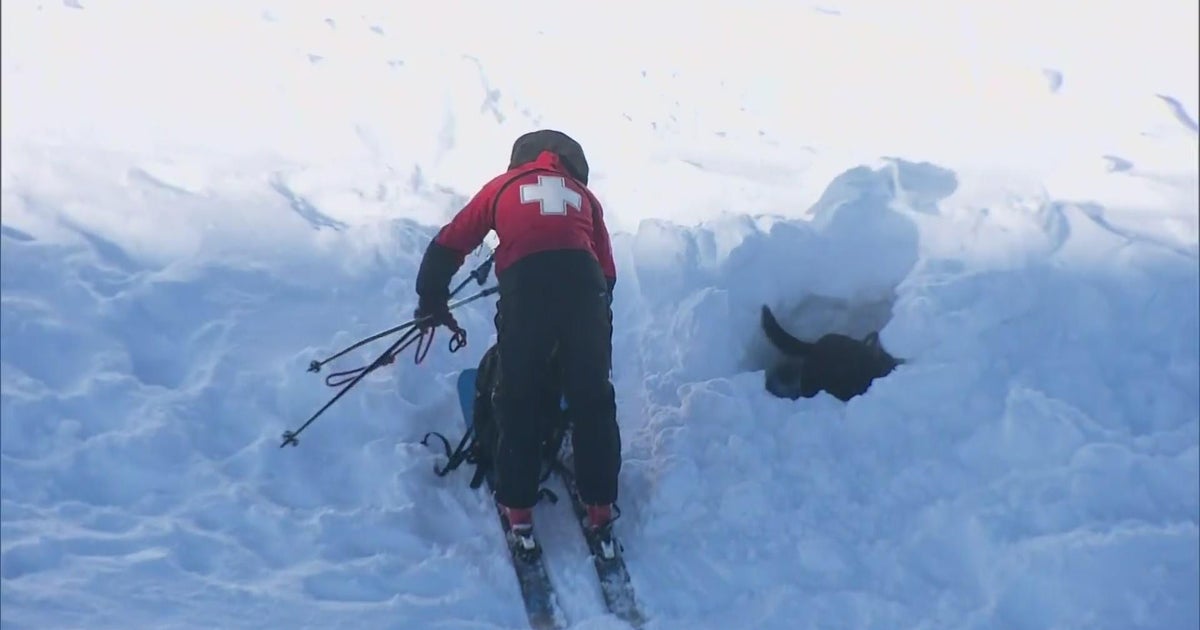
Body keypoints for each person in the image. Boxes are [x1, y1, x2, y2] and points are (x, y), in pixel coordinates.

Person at [414, 129, 620, 556]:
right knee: (593, 399)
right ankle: (600, 507)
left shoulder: (502, 186)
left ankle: (519, 511)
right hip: (587, 288)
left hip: (525, 288)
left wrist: (431, 298)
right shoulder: (585, 199)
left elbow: (451, 242)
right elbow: (608, 274)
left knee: (519, 396)